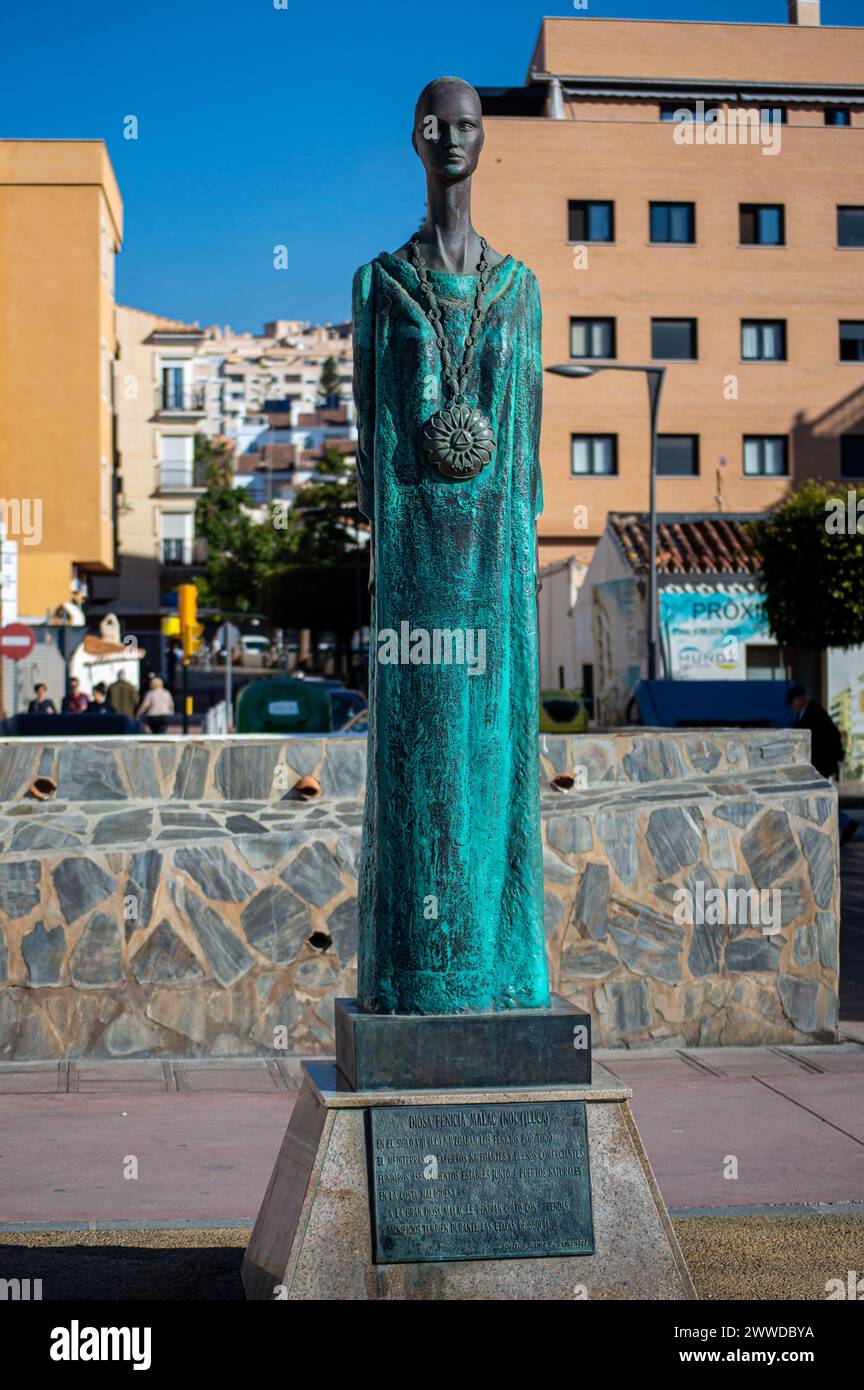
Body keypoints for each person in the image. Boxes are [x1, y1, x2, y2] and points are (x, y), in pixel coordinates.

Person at [786, 683, 856, 845]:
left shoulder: (814, 713)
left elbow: (829, 737)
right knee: (816, 795)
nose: (791, 706)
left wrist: (833, 759)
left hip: (820, 763)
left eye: (792, 701)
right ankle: (844, 823)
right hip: (815, 764)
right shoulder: (804, 713)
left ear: (801, 700)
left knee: (816, 795)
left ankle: (844, 823)